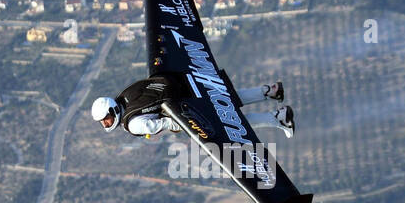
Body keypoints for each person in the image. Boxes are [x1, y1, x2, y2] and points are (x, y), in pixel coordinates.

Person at [91, 79, 294, 139]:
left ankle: (277, 117)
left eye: (106, 119)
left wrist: (191, 125)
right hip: (181, 85)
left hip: (183, 103)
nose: (105, 124)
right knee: (224, 99)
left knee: (227, 123)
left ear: (113, 112)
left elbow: (165, 123)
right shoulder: (124, 94)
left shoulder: (133, 125)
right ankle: (269, 91)